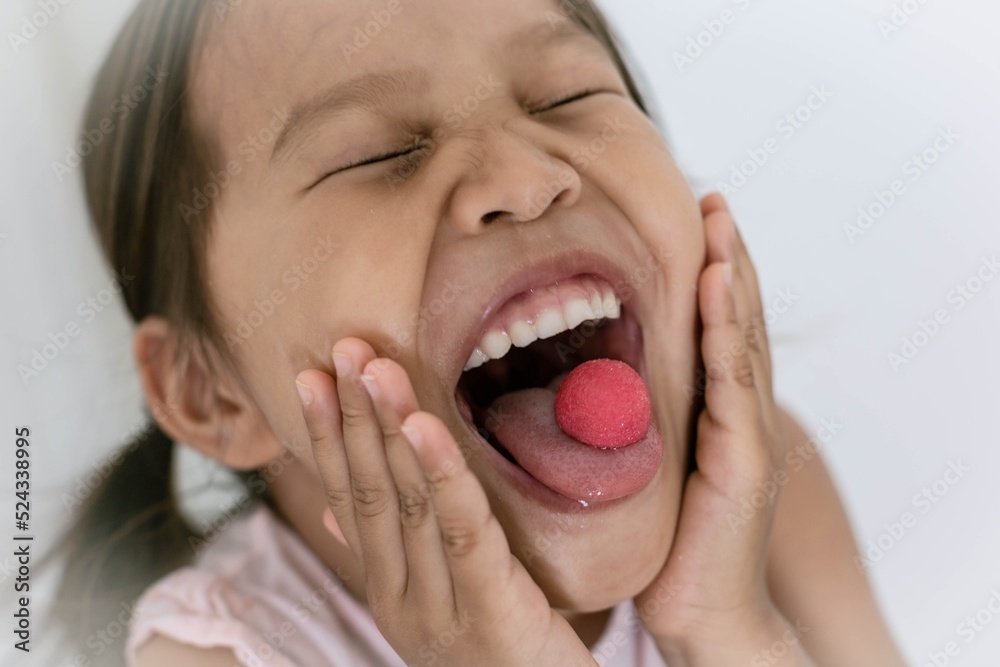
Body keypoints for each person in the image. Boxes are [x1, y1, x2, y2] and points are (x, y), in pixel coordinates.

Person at [53, 0, 908, 665]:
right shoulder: (219, 651)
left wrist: (726, 628)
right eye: (378, 154)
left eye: (565, 96)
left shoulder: (756, 498)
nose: (526, 176)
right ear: (211, 392)